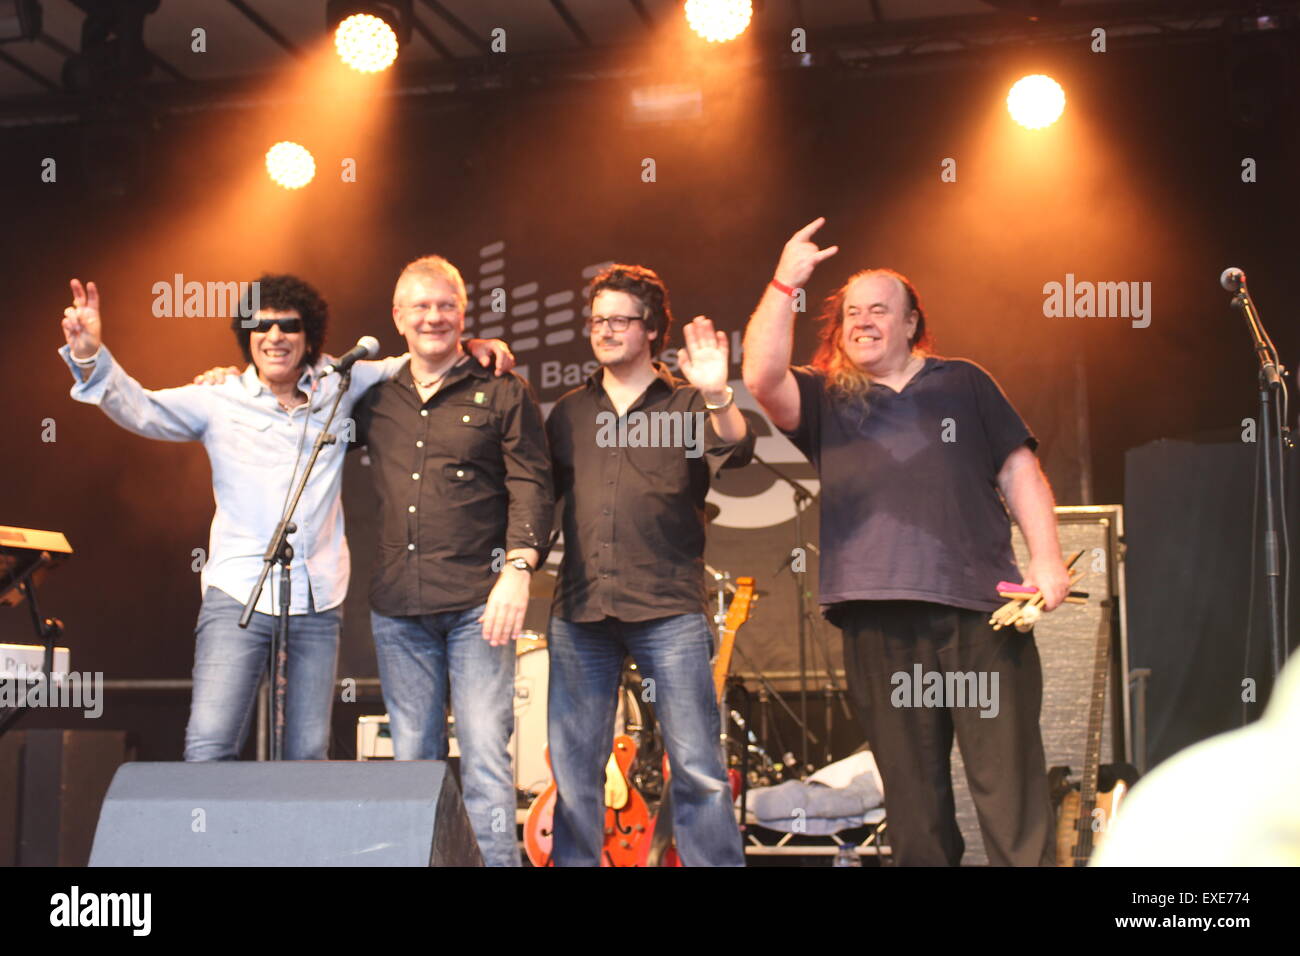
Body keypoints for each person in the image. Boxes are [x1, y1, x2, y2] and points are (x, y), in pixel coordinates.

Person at [59, 274, 510, 761]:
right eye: (261, 326)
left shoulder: (342, 380)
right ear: (246, 337)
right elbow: (141, 409)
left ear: (308, 334)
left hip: (317, 599)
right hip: (238, 593)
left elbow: (419, 356)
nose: (274, 336)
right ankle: (213, 837)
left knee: (307, 753)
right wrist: (89, 356)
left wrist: (471, 343)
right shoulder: (219, 398)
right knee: (210, 744)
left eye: (288, 326)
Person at [741, 218, 1070, 866]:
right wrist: (784, 281)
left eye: (879, 311)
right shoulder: (828, 397)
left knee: (1010, 795)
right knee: (915, 810)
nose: (862, 322)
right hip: (877, 621)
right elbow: (759, 376)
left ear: (912, 323)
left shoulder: (964, 383)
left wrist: (1048, 558)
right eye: (851, 314)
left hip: (982, 615)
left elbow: (1020, 471)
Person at [544, 263, 754, 867]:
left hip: (667, 608)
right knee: (576, 770)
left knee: (697, 768)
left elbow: (736, 448)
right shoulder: (568, 412)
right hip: (581, 608)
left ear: (651, 329)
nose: (605, 330)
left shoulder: (688, 405)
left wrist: (718, 394)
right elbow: (534, 496)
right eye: (598, 320)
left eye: (620, 320)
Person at [352, 255, 553, 867]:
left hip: (478, 605)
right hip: (398, 607)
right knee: (412, 760)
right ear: (397, 317)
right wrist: (228, 379)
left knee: (488, 756)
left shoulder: (503, 389)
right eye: (421, 306)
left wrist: (517, 570)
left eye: (446, 306)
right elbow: (292, 397)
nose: (433, 317)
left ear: (463, 315)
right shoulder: (371, 394)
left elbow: (533, 485)